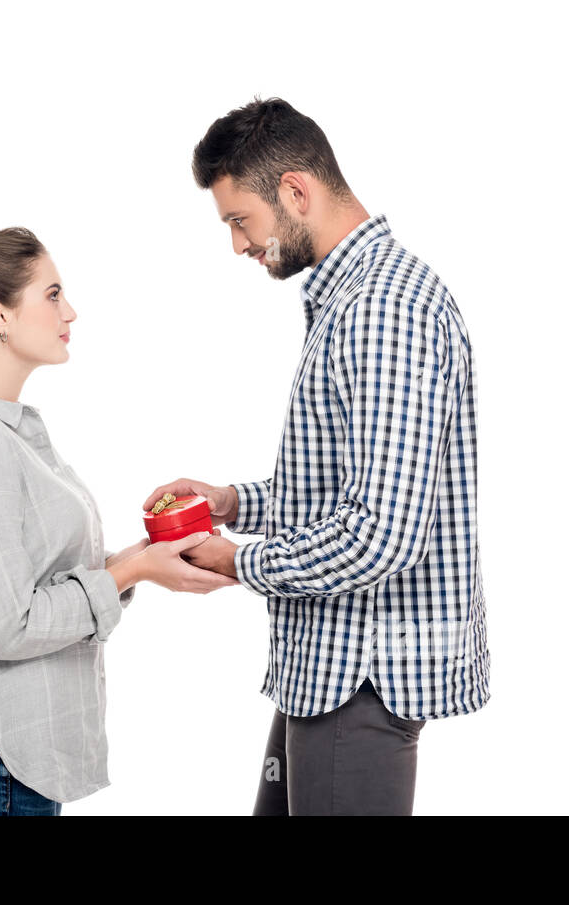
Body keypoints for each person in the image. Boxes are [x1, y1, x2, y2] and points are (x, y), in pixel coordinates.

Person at [145, 97, 491, 815]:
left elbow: (381, 534)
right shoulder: (350, 301)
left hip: (361, 674)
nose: (238, 245)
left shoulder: (384, 310)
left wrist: (240, 562)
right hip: (330, 667)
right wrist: (232, 502)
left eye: (240, 220)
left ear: (295, 191)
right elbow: (342, 488)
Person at [0, 222, 238, 816]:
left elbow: (37, 587)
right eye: (53, 294)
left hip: (27, 765)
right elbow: (11, 626)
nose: (71, 310)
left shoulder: (12, 435)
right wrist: (133, 571)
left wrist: (143, 560)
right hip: (0, 771)